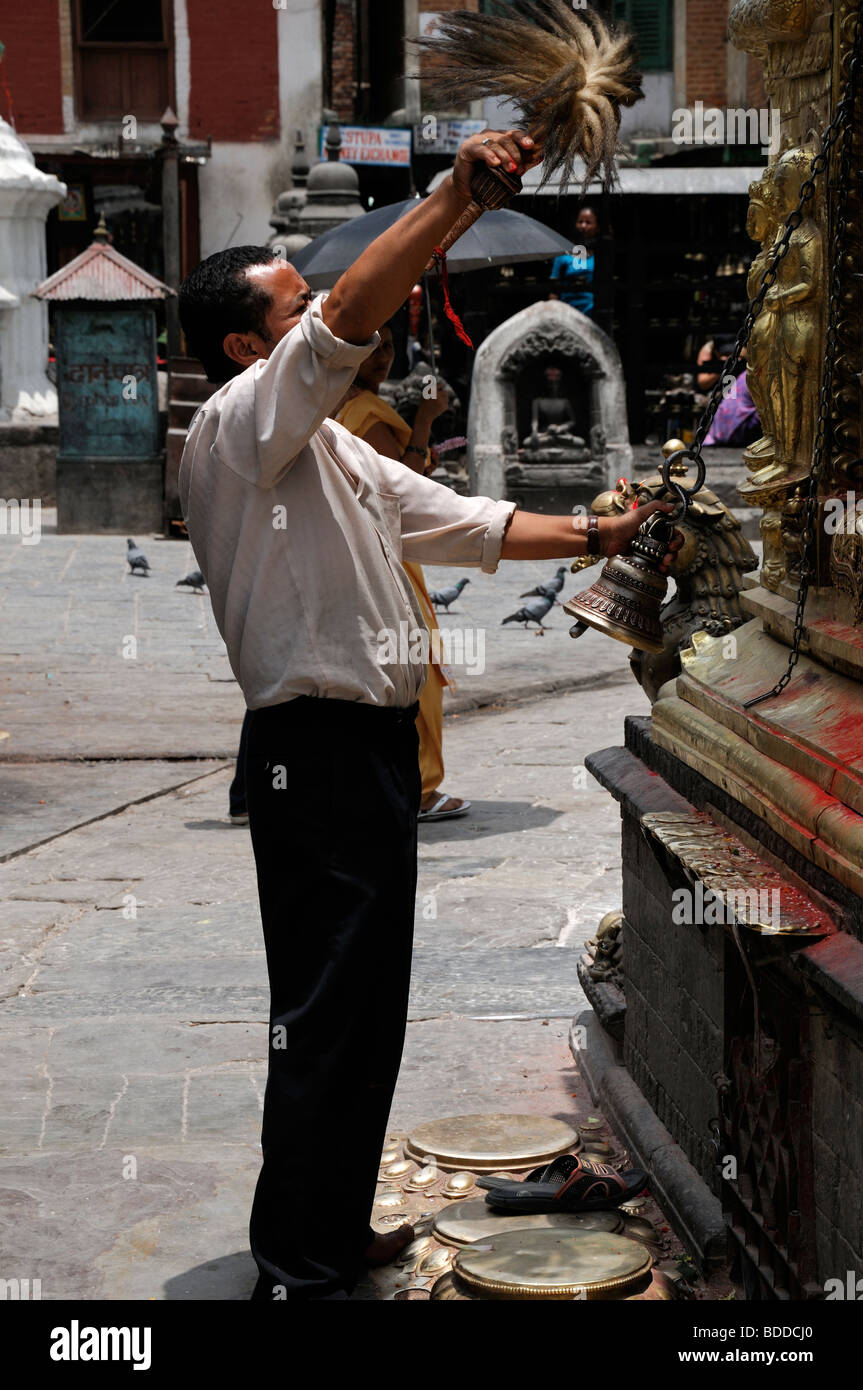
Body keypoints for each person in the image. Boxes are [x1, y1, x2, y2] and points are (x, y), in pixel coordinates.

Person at [177, 126, 679, 1302]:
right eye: (292, 313)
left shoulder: (330, 455)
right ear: (250, 345)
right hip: (311, 753)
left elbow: (469, 524)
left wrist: (603, 534)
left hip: (368, 751)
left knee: (365, 1012)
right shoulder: (242, 427)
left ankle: (331, 1226)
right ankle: (299, 1263)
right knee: (324, 1014)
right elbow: (350, 309)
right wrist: (451, 195)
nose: (321, 324)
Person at [336, 324, 468, 822]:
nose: (385, 356)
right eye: (373, 346)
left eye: (390, 345)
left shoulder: (330, 405)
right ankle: (421, 788)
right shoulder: (366, 415)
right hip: (387, 550)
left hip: (357, 549)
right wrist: (428, 420)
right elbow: (404, 488)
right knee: (418, 671)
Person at [549, 204, 598, 315]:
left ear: (597, 227)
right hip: (567, 314)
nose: (583, 226)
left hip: (593, 314)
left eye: (588, 222)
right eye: (580, 222)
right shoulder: (563, 255)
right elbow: (554, 291)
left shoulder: (602, 256)